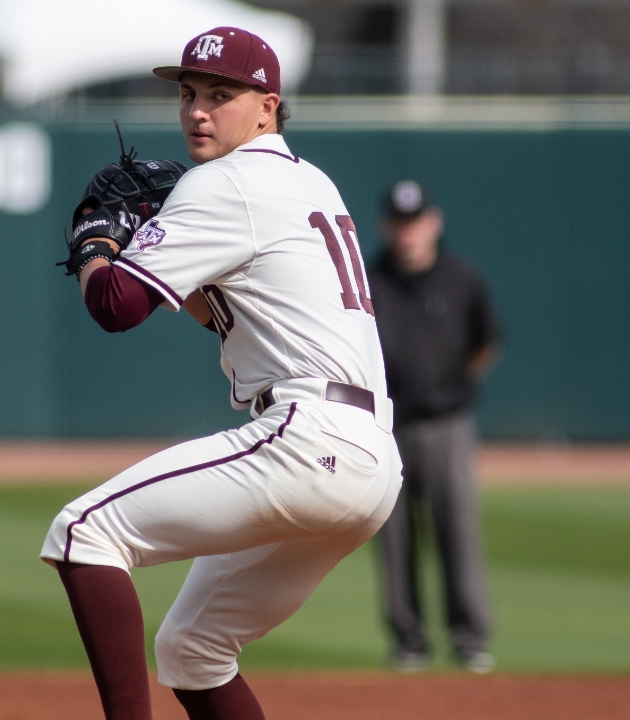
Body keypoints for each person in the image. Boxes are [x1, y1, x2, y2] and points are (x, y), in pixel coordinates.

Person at [40, 27, 403, 720]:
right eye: (187, 94)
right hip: (372, 460)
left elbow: (115, 306)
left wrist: (94, 243)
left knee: (84, 530)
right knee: (193, 649)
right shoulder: (309, 180)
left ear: (267, 106)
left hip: (306, 436)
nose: (197, 110)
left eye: (219, 95)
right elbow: (226, 313)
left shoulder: (224, 184)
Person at [367, 180, 500, 674]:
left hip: (447, 422)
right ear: (387, 226)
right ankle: (409, 641)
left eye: (416, 221)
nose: (408, 232)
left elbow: (487, 342)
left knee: (457, 533)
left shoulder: (461, 279)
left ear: (433, 222)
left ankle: (468, 638)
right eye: (400, 223)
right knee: (394, 538)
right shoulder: (368, 280)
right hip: (388, 427)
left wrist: (450, 381)